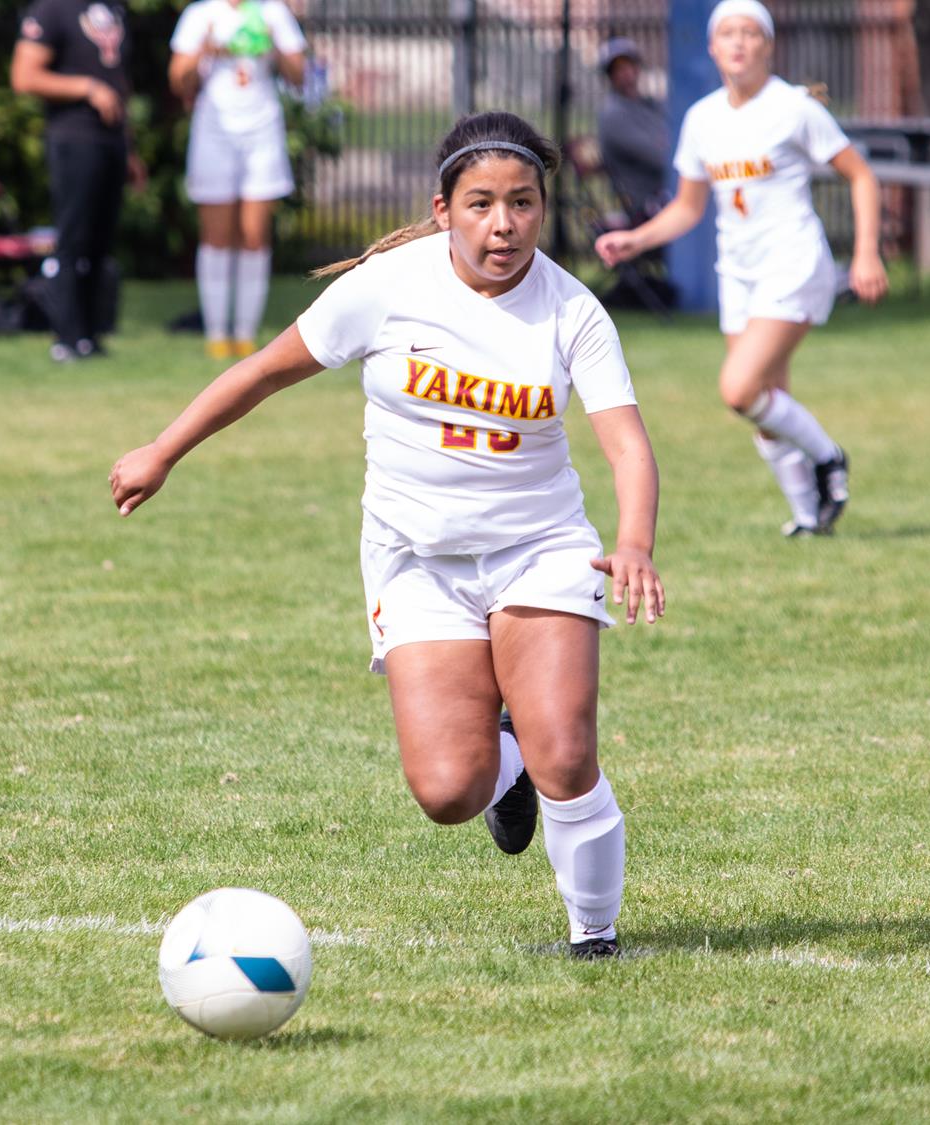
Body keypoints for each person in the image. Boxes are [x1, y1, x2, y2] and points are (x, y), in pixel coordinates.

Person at [109, 112, 665, 960]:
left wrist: (633, 543)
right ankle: (504, 768)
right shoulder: (388, 286)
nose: (504, 223)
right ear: (443, 210)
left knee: (567, 751)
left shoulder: (571, 309)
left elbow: (627, 442)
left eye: (522, 203)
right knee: (449, 789)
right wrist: (163, 449)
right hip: (416, 560)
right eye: (481, 203)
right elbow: (263, 372)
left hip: (539, 547)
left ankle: (595, 935)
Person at [595, 0, 886, 537]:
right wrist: (635, 240)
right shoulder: (702, 117)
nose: (738, 42)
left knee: (738, 389)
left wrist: (866, 252)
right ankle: (808, 517)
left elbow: (861, 176)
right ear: (712, 47)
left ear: (767, 44)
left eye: (750, 32)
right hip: (738, 272)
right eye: (726, 32)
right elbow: (687, 207)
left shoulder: (795, 107)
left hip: (793, 263)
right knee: (766, 401)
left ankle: (828, 458)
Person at [168, 0, 309, 360]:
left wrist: (274, 39)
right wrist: (206, 47)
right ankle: (217, 334)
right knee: (216, 237)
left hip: (262, 130)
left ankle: (245, 335)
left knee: (254, 237)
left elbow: (298, 75)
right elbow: (177, 79)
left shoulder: (271, 11)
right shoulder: (201, 14)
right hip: (215, 132)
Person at [11, 0, 148, 363]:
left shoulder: (113, 9)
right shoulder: (52, 9)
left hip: (111, 142)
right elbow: (24, 76)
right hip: (74, 139)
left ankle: (90, 335)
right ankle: (66, 337)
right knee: (73, 240)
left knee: (100, 245)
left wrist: (129, 150)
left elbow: (120, 82)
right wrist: (87, 88)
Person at [595, 37, 671, 224]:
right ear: (609, 76)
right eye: (617, 69)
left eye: (629, 65)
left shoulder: (650, 105)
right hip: (647, 204)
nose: (625, 73)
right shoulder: (614, 116)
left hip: (668, 193)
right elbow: (662, 157)